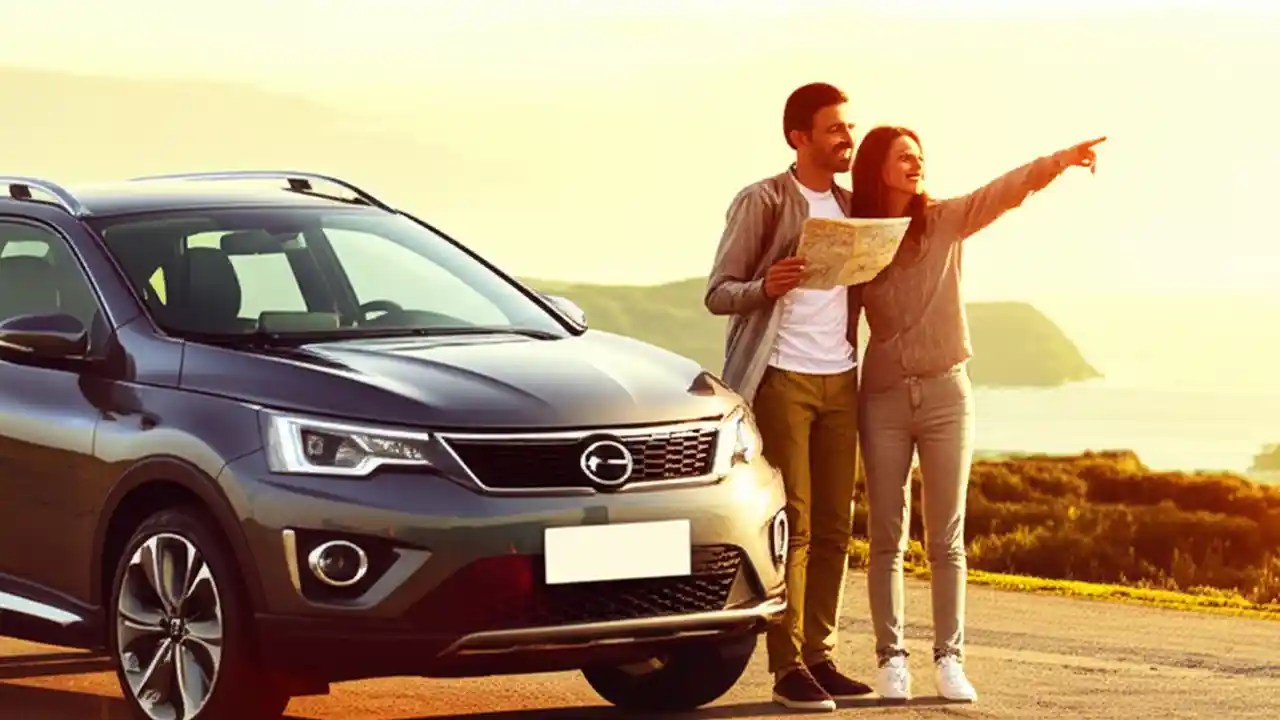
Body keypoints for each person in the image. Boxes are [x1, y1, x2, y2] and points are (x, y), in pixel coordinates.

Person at [849, 125, 1105, 702]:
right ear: (877, 169)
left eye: (920, 155)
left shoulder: (945, 220)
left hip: (947, 397)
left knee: (947, 539)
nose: (916, 164)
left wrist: (1058, 160)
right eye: (904, 157)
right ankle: (892, 660)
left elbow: (1005, 190)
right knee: (887, 536)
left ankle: (949, 660)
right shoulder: (860, 237)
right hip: (884, 398)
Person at [704, 82, 874, 713]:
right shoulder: (763, 200)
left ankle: (821, 655)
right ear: (798, 137)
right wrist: (765, 286)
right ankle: (786, 665)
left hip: (842, 379)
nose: (847, 139)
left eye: (849, 128)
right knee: (794, 525)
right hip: (781, 377)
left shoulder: (855, 207)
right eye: (834, 129)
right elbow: (719, 291)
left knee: (833, 527)